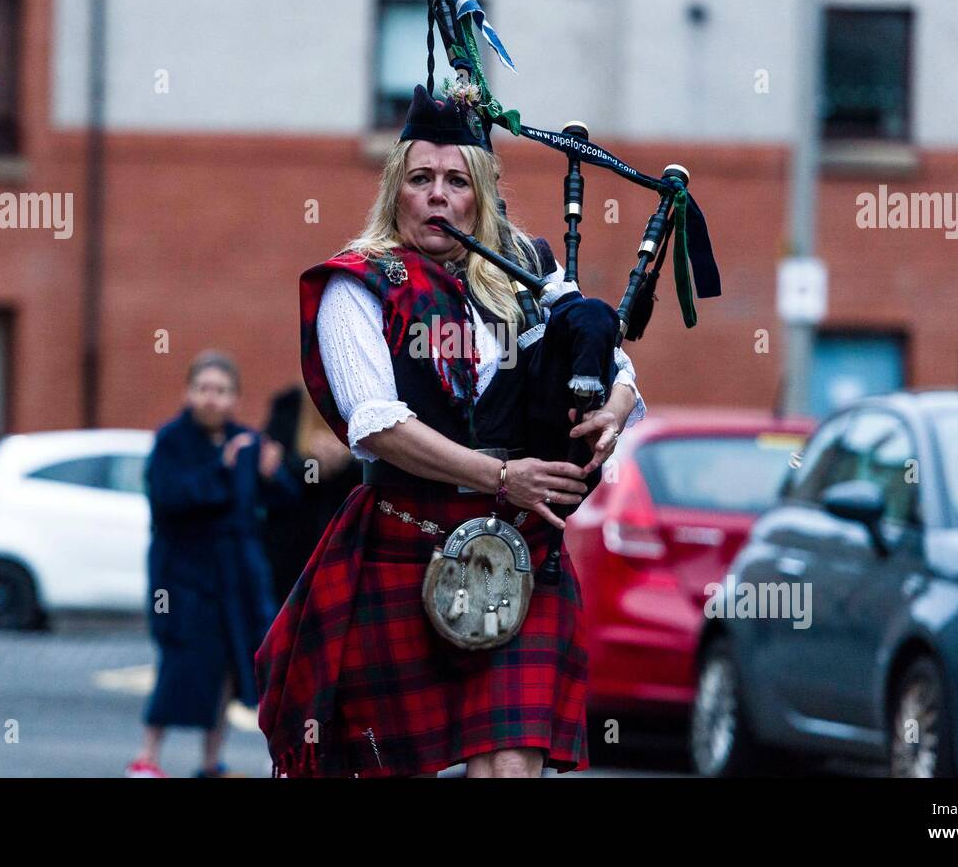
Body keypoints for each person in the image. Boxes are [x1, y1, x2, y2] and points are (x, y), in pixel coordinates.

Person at [254, 84, 646, 778]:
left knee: (509, 764)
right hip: (404, 544)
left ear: (481, 197)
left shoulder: (526, 275)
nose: (438, 196)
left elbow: (610, 363)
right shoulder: (360, 285)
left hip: (518, 556)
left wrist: (612, 410)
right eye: (421, 179)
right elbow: (377, 425)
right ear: (396, 193)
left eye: (456, 181)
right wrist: (501, 475)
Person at [126, 350, 300, 778]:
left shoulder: (245, 442)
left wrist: (271, 473)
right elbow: (172, 498)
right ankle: (147, 758)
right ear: (188, 392)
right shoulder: (171, 441)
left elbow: (282, 502)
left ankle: (211, 762)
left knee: (229, 667)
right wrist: (221, 470)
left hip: (236, 577)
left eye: (221, 391)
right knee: (179, 665)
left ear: (236, 397)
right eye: (203, 389)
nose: (211, 399)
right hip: (182, 579)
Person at [261, 385, 362, 605]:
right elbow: (275, 472)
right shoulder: (288, 406)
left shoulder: (364, 405)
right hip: (291, 550)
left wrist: (344, 462)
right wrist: (314, 465)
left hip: (347, 545)